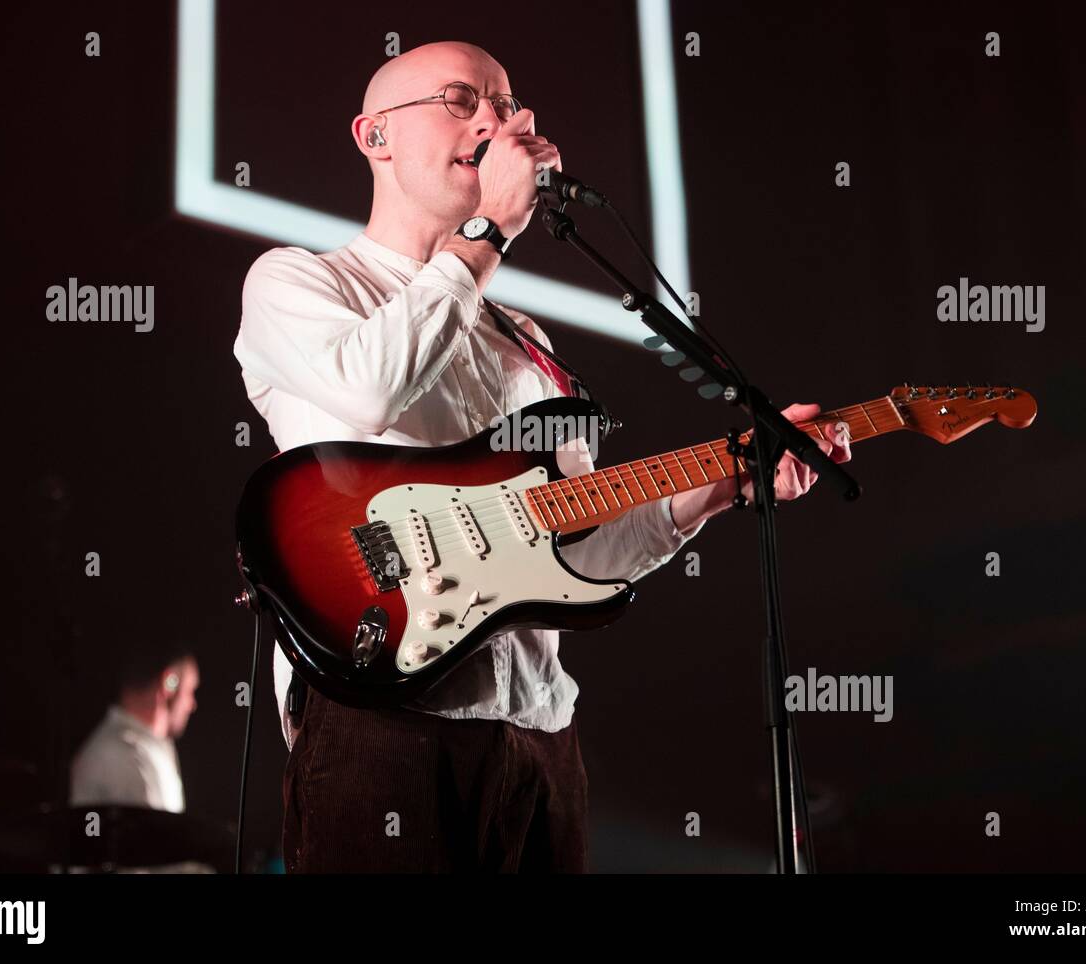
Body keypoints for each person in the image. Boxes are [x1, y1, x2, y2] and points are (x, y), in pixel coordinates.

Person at [233, 41, 851, 873]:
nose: (495, 120)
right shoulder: (300, 284)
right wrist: (488, 231)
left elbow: (579, 544)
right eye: (461, 99)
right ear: (374, 136)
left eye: (505, 101)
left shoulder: (529, 344)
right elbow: (371, 389)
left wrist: (725, 483)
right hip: (382, 713)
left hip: (539, 732)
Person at [69, 647, 200, 813]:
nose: (192, 704)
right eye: (190, 691)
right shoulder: (114, 753)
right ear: (169, 683)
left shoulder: (155, 748)